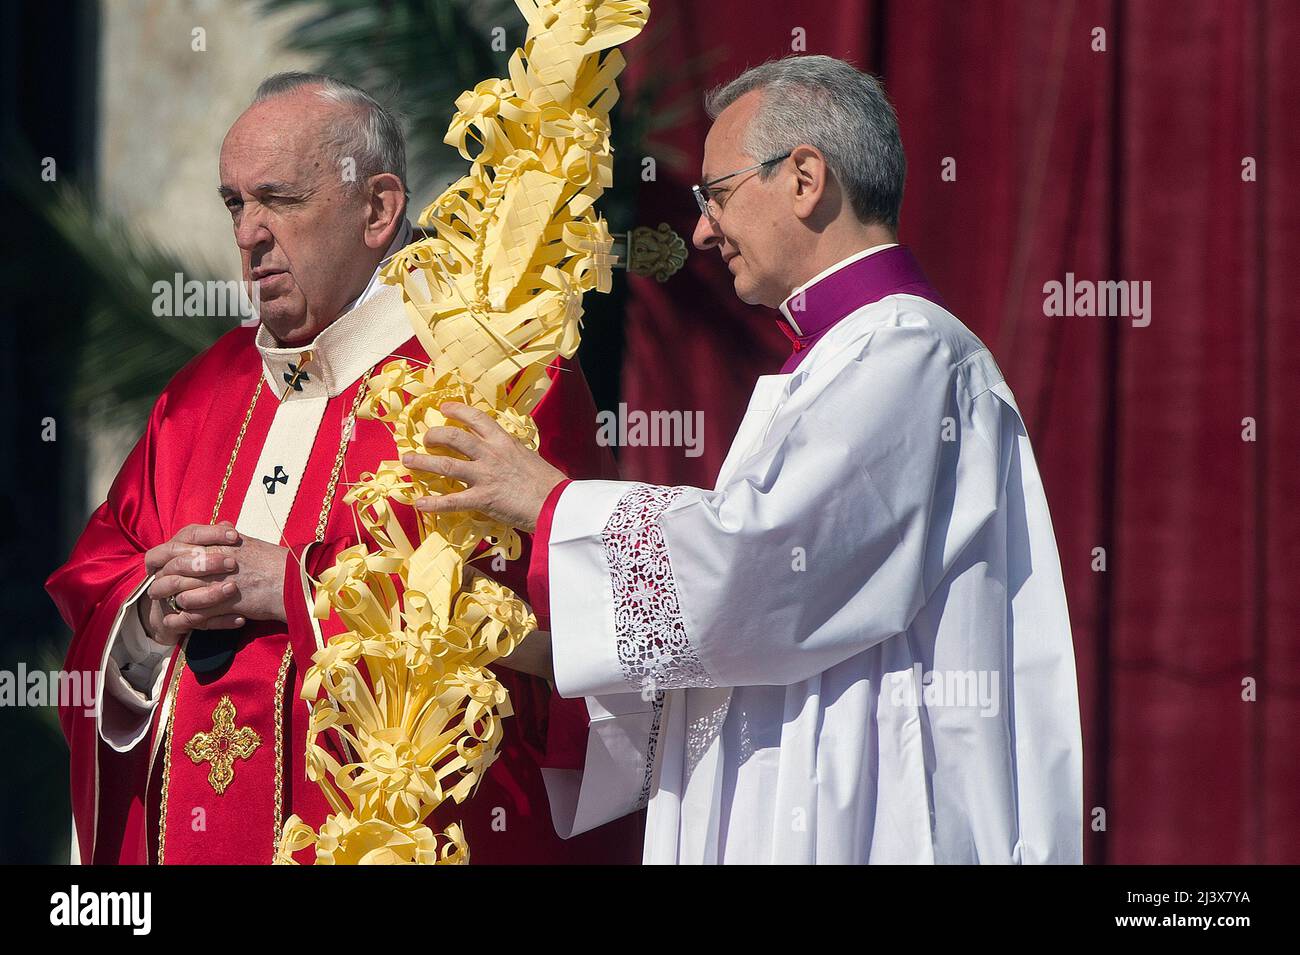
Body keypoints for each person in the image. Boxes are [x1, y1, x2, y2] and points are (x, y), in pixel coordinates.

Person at [404, 55, 1085, 864]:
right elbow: (745, 632)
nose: (700, 230)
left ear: (804, 178)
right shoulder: (841, 360)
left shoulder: (911, 352)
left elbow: (753, 567)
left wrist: (551, 503)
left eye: (716, 194)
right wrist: (541, 650)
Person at [46, 71, 641, 865]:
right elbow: (100, 578)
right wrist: (150, 617)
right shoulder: (195, 400)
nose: (248, 234)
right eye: (234, 203)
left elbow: (558, 620)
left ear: (378, 208)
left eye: (279, 199)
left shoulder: (491, 377)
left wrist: (295, 585)